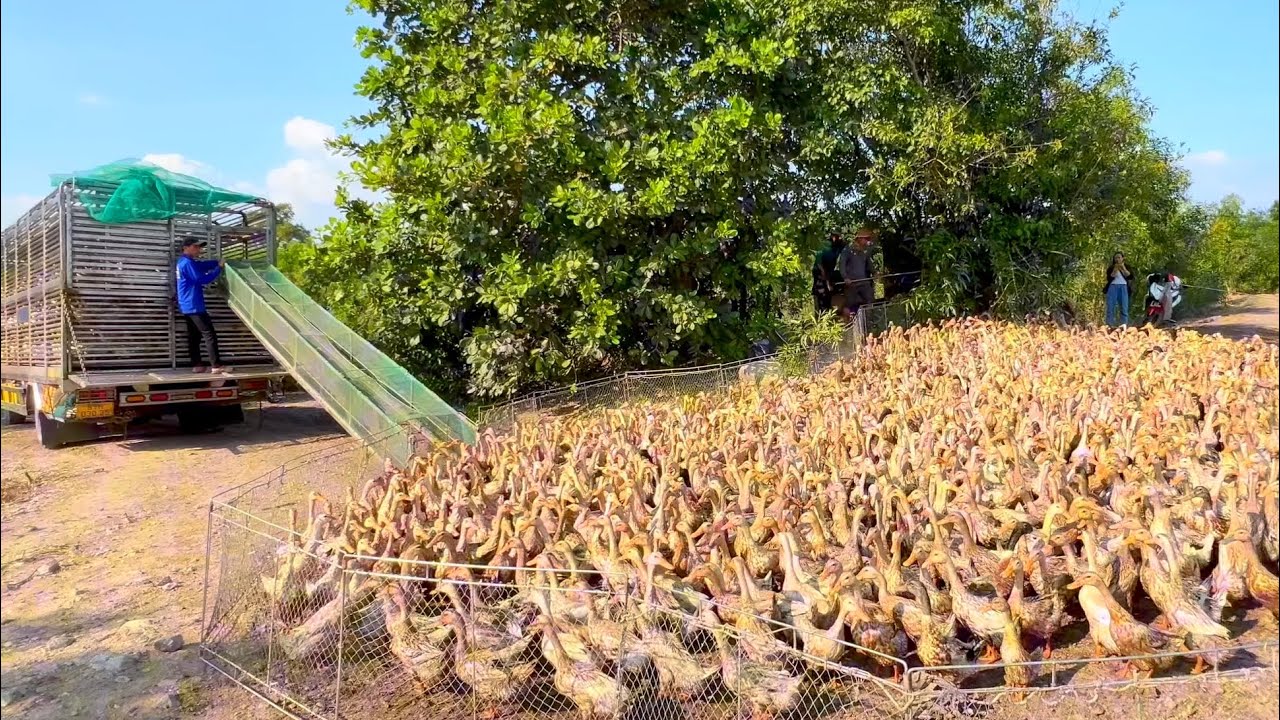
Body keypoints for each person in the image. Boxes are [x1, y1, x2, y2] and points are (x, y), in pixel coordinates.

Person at [175, 237, 229, 373]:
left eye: (199, 247)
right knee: (209, 334)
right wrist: (219, 268)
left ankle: (197, 364)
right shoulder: (187, 263)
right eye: (196, 246)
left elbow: (202, 265)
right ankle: (216, 366)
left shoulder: (185, 262)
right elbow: (202, 279)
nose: (199, 249)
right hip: (194, 305)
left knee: (194, 336)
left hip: (187, 305)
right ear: (186, 247)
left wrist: (216, 262)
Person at [839, 228, 876, 318]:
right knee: (850, 303)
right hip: (852, 282)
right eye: (866, 239)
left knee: (870, 299)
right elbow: (842, 264)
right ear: (859, 239)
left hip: (863, 281)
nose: (867, 241)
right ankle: (848, 323)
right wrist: (845, 277)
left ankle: (869, 320)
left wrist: (874, 272)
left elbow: (869, 263)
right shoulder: (848, 250)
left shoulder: (865, 251)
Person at [812, 233, 846, 314]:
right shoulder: (825, 245)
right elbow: (818, 261)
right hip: (820, 271)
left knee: (830, 292)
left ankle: (831, 311)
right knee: (822, 292)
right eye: (836, 236)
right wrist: (823, 273)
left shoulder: (839, 245)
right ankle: (822, 313)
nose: (838, 238)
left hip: (830, 270)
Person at [1104, 251, 1133, 327]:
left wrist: (1123, 268)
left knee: (1124, 307)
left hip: (1123, 287)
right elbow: (1110, 277)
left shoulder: (1127, 266)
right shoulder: (1111, 267)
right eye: (1116, 257)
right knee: (1110, 307)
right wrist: (1115, 268)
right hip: (1113, 287)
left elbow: (1130, 276)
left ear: (1123, 258)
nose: (1117, 259)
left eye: (1119, 257)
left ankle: (1123, 325)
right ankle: (1109, 325)